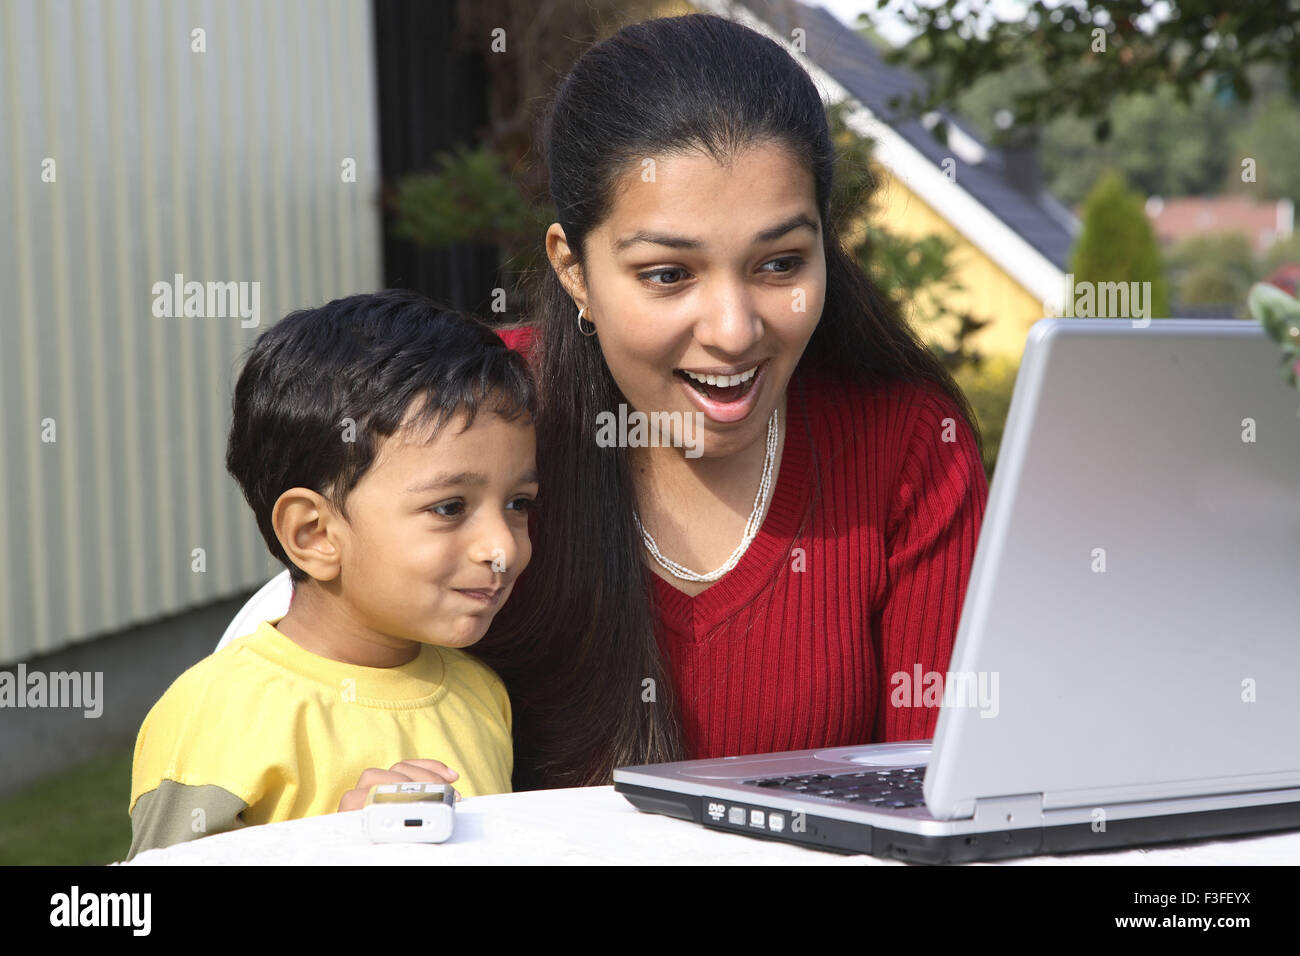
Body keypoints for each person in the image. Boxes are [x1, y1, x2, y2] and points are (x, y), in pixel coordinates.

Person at [477, 13, 990, 790]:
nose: (733, 330)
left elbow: (942, 796)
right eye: (668, 274)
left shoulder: (910, 447)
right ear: (574, 270)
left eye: (780, 263)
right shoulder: (471, 418)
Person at [126, 290, 537, 859]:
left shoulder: (482, 693)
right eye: (449, 508)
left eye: (519, 503)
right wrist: (331, 848)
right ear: (314, 535)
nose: (501, 548)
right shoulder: (217, 715)